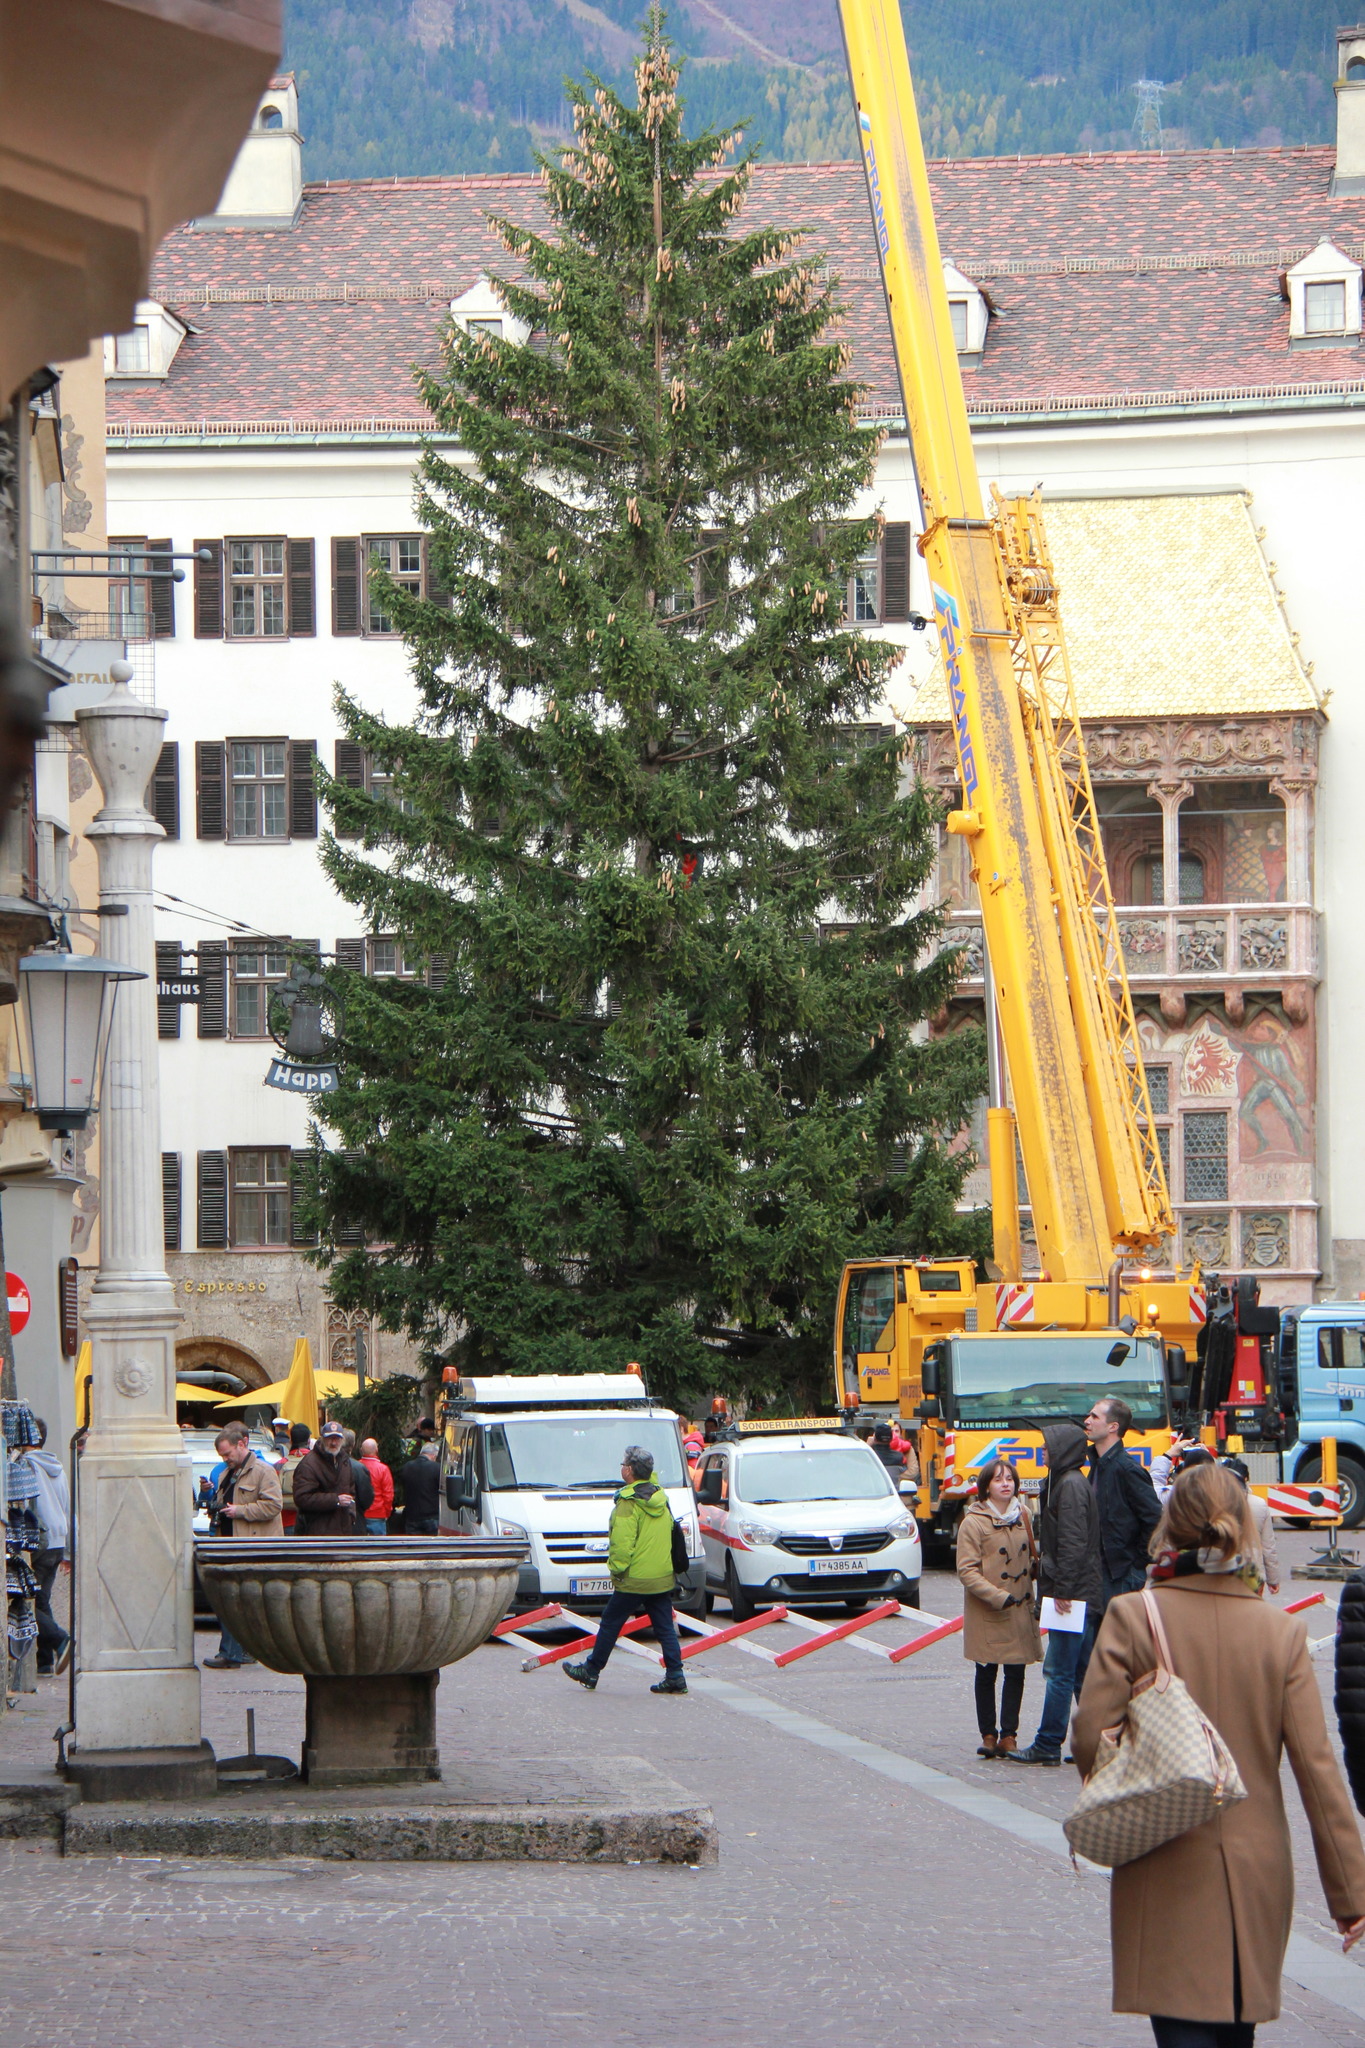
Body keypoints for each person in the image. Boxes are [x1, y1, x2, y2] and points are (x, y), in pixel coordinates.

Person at [1076, 1461, 1365, 2046]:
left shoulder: (1136, 1615)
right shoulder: (1278, 1632)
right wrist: (1350, 1894)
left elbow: (1087, 1737)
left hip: (1163, 1856)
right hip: (1257, 1872)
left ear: (1169, 1526)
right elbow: (1317, 1770)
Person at [1005, 1421, 1101, 1767]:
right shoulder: (1065, 1482)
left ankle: (1049, 1742)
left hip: (1072, 1593)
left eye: (1047, 1446)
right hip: (1076, 1590)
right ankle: (1100, 1741)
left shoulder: (1070, 1485)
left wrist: (1062, 1590)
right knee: (1081, 1672)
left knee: (1060, 1670)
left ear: (1062, 1450)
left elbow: (1072, 1543)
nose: (1042, 1451)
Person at [564, 1446, 687, 1695]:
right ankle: (676, 1676)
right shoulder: (660, 1498)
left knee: (610, 1622)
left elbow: (621, 1545)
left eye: (623, 1464)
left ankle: (591, 1670)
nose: (621, 1467)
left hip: (634, 1578)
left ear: (629, 1470)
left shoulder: (628, 1502)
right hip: (661, 1577)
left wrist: (617, 1572)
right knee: (664, 1627)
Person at [956, 1457, 1041, 1758]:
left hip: (1019, 1607)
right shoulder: (973, 1521)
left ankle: (1009, 1735)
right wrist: (995, 1595)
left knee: (1016, 1672)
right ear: (986, 1486)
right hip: (988, 1610)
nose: (1006, 1483)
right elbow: (967, 1570)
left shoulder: (1025, 1515)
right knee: (986, 1671)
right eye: (998, 1479)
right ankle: (988, 1735)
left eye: (1010, 1478)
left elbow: (1032, 1558)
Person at [203, 1424, 283, 1668]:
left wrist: (240, 1511)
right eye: (222, 1456)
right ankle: (241, 1652)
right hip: (229, 1543)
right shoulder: (228, 1472)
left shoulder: (263, 1471)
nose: (225, 1459)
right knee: (234, 1601)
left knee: (235, 1601)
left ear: (241, 1445)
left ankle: (232, 1654)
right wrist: (211, 1497)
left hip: (251, 1545)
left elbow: (274, 1505)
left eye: (227, 1454)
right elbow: (224, 1502)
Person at [1085, 1395, 1162, 1614]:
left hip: (1121, 1575)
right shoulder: (1098, 1466)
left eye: (1094, 1416)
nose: (1086, 1420)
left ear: (1113, 1427)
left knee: (1119, 1642)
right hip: (1099, 1574)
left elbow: (1155, 1518)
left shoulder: (1127, 1469)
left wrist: (1137, 1563)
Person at [28, 1418, 71, 1677]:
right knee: (41, 1599)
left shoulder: (28, 1466)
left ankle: (60, 1639)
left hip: (40, 1540)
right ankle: (44, 1661)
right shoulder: (57, 1466)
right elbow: (66, 1506)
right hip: (57, 1539)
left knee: (25, 1599)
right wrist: (67, 1550)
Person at [291, 1420, 362, 1535]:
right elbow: (302, 1498)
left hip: (343, 1533)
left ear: (342, 1440)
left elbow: (351, 1491)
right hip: (317, 1534)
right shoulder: (309, 1464)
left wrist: (351, 1515)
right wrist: (335, 1500)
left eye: (337, 1439)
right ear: (322, 1439)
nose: (334, 1443)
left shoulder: (344, 1461)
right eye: (330, 1438)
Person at [1222, 1456, 1280, 1594]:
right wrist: (1273, 1579)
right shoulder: (1260, 1504)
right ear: (1246, 1479)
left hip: (1222, 1574)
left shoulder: (1214, 1503)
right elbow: (1268, 1547)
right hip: (1253, 1574)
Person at [401, 1440, 442, 1534]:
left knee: (414, 1546)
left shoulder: (407, 1466)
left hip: (411, 1515)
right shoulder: (436, 1468)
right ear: (434, 1456)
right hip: (431, 1515)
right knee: (432, 1546)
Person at [280, 1421, 312, 1532]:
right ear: (308, 1440)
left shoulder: (279, 1464)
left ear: (291, 1440)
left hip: (286, 1521)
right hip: (311, 1521)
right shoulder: (317, 1463)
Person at [359, 1437, 394, 1535]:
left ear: (361, 1450)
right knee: (378, 1547)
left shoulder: (356, 1467)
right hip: (378, 1515)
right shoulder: (383, 1469)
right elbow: (388, 1495)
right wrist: (386, 1512)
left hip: (360, 1514)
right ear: (376, 1450)